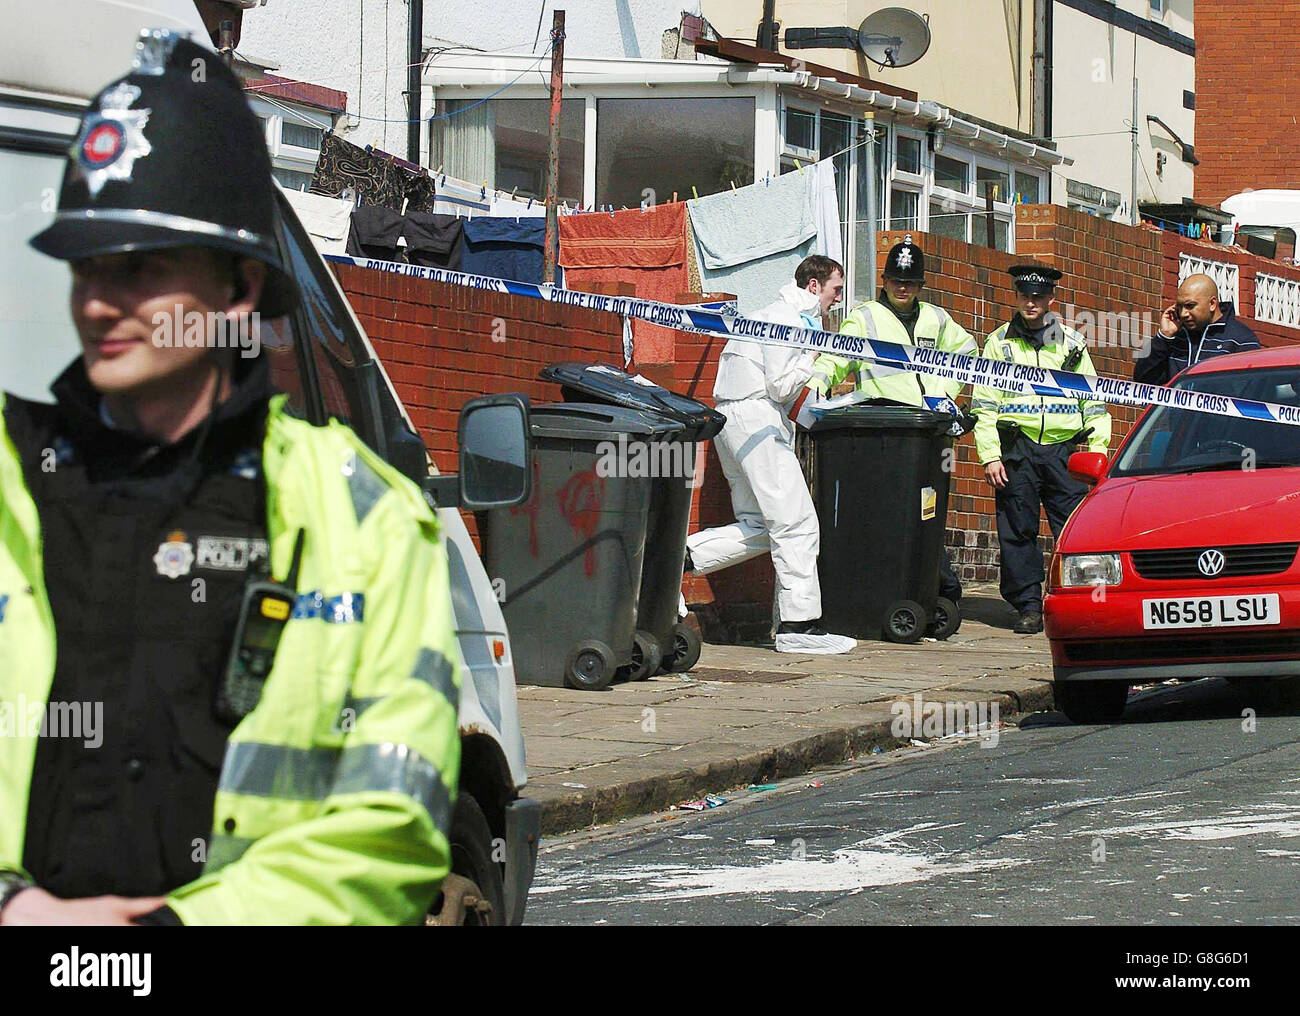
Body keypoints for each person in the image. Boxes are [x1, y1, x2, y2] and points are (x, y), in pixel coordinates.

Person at [0, 32, 460, 925]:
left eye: (140, 269)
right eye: (88, 266)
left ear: (240, 287)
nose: (99, 301)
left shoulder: (364, 520)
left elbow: (390, 824)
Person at [684, 255, 856, 654]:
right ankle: (800, 624)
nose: (838, 299)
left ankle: (683, 557)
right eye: (835, 289)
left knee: (760, 524)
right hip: (756, 418)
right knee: (796, 523)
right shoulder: (790, 319)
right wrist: (814, 359)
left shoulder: (767, 315)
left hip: (732, 421)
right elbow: (780, 385)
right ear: (813, 286)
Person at [806, 235, 977, 604]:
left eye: (911, 282)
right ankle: (924, 587)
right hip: (884, 424)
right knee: (891, 508)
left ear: (920, 285)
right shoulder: (866, 317)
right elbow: (837, 358)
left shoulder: (937, 318)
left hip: (926, 427)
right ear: (884, 281)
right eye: (897, 280)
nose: (903, 287)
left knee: (924, 508)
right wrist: (816, 385)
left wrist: (944, 393)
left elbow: (967, 351)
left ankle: (935, 585)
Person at [972, 265, 1112, 635]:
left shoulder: (1071, 344)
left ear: (1052, 299)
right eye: (1024, 296)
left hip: (1063, 454)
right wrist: (989, 454)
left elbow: (1094, 403)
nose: (1031, 303)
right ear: (1016, 296)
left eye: (1038, 296)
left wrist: (1097, 455)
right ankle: (1028, 606)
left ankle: (1083, 601)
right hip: (1016, 448)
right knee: (1018, 530)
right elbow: (984, 404)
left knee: (1075, 530)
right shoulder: (999, 344)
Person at [1134, 273, 1260, 384]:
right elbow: (1142, 378)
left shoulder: (1241, 340)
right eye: (1180, 306)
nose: (1183, 313)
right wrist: (1164, 337)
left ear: (1212, 304)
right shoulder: (1175, 338)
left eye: (1190, 306)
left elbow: (1251, 388)